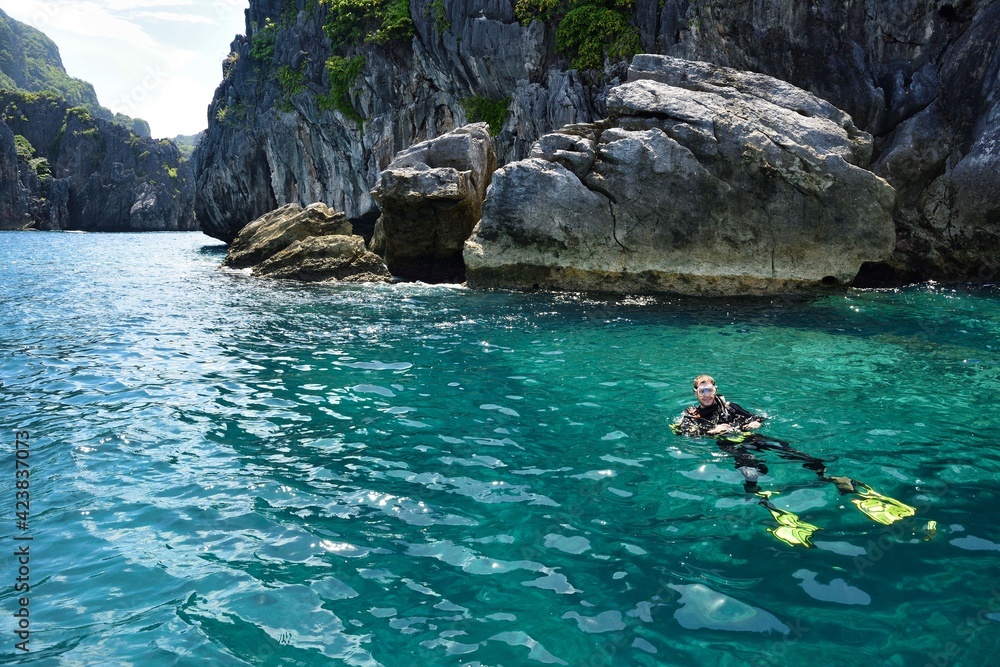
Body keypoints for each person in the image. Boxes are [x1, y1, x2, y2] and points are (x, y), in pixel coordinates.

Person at [672, 373, 917, 547]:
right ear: (695, 393)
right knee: (751, 469)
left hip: (750, 437)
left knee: (791, 451)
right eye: (701, 390)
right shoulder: (692, 415)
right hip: (729, 445)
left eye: (710, 389)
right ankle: (764, 501)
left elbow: (757, 417)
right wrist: (711, 432)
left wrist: (754, 423)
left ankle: (830, 477)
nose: (706, 394)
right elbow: (686, 432)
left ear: (715, 390)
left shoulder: (730, 406)